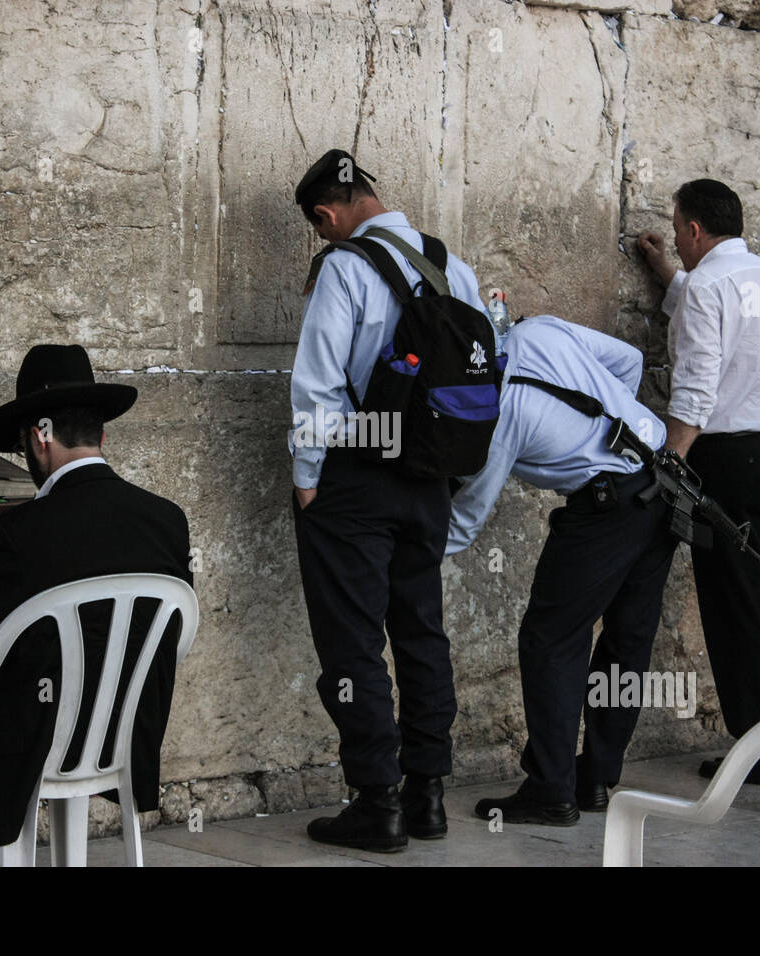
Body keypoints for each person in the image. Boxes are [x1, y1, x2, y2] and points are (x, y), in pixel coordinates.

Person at [0, 344, 192, 859]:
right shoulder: (167, 520)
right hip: (115, 737)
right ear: (102, 434)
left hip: (26, 747)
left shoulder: (17, 532)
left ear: (38, 438)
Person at [289, 148, 485, 852]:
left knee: (352, 643)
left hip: (355, 479)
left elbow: (317, 384)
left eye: (321, 228)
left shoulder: (345, 266)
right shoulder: (450, 266)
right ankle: (427, 793)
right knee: (421, 632)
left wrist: (309, 478)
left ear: (326, 214)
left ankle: (377, 802)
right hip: (429, 480)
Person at [448, 315, 678, 824]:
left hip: (605, 506)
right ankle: (596, 776)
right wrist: (608, 431)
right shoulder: (540, 331)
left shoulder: (500, 414)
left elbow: (465, 522)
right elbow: (630, 361)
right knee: (629, 636)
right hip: (661, 478)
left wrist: (406, 551)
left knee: (551, 639)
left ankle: (552, 788)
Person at [637, 179, 760, 786]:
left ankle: (757, 753)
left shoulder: (709, 284)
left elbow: (699, 384)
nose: (678, 240)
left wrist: (672, 461)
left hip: (730, 463)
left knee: (733, 608)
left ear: (695, 231)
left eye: (678, 230)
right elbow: (727, 319)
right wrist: (666, 274)